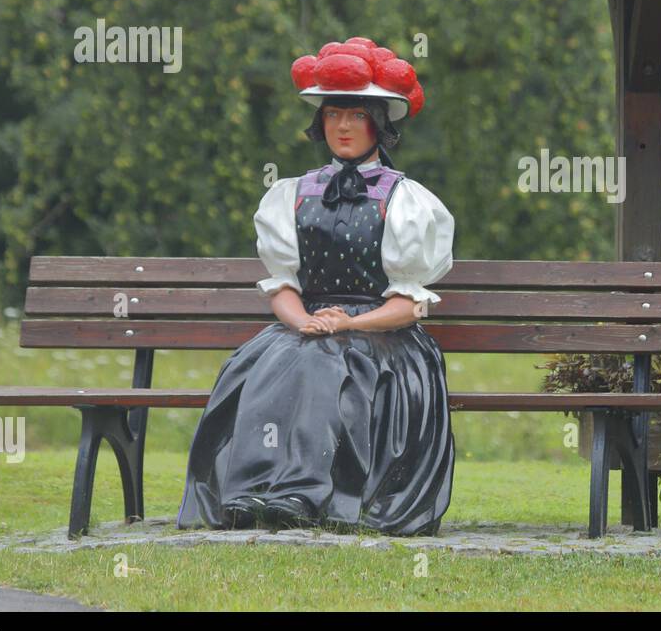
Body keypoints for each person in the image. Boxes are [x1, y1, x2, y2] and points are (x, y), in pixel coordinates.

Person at [176, 37, 455, 536]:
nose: (342, 127)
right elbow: (281, 285)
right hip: (309, 327)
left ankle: (309, 496)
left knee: (327, 366)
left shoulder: (407, 201)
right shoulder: (291, 194)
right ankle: (252, 493)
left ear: (379, 125)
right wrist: (304, 320)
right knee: (265, 363)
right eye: (332, 115)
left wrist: (349, 323)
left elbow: (408, 306)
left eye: (355, 115)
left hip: (382, 336)